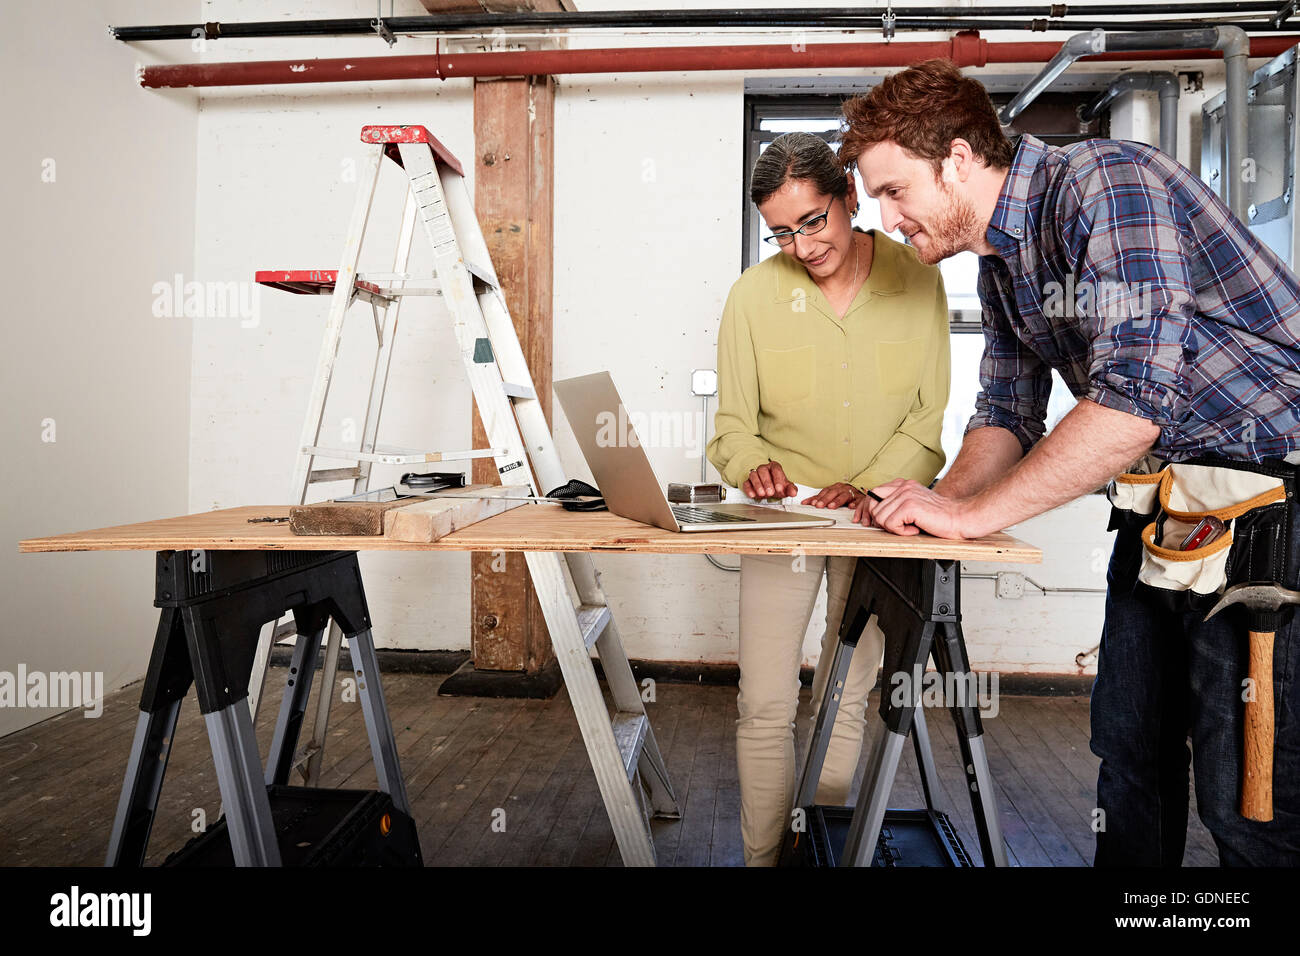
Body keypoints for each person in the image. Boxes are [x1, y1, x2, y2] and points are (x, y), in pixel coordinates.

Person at [841, 58, 1300, 865]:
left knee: (1249, 803)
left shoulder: (1105, 182)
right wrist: (934, 504)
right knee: (1129, 757)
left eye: (893, 190)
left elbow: (1130, 404)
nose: (885, 217)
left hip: (1276, 507)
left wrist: (973, 516)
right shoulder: (999, 258)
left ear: (955, 159)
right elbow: (1006, 415)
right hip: (1168, 504)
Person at [705, 131, 950, 866]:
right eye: (782, 232)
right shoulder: (752, 296)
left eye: (814, 221)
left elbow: (929, 420)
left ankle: (819, 855)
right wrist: (754, 466)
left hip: (877, 520)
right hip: (782, 521)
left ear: (849, 195)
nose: (802, 245)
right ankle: (763, 859)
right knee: (765, 703)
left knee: (844, 698)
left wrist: (874, 483)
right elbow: (731, 429)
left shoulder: (919, 279)